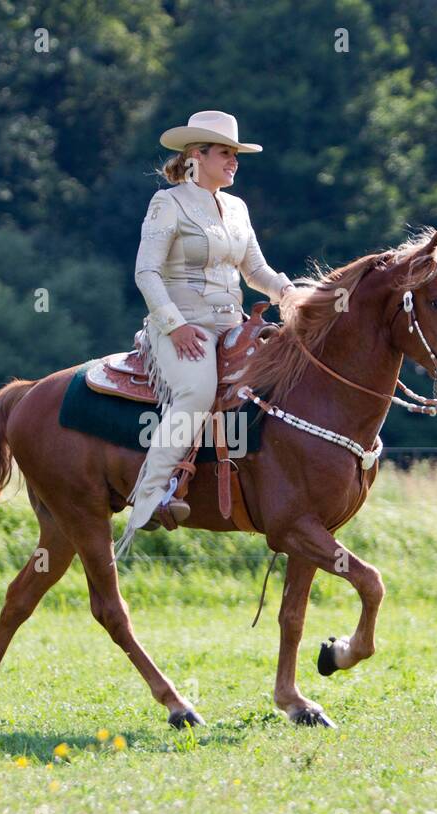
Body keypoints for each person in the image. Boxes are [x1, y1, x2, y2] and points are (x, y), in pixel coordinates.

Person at [116, 110, 295, 557]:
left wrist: (289, 292)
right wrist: (174, 326)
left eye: (236, 154)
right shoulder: (166, 203)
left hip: (233, 325)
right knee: (196, 392)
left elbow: (255, 270)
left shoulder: (237, 208)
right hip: (181, 328)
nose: (234, 162)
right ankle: (151, 494)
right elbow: (146, 273)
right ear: (196, 156)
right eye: (226, 154)